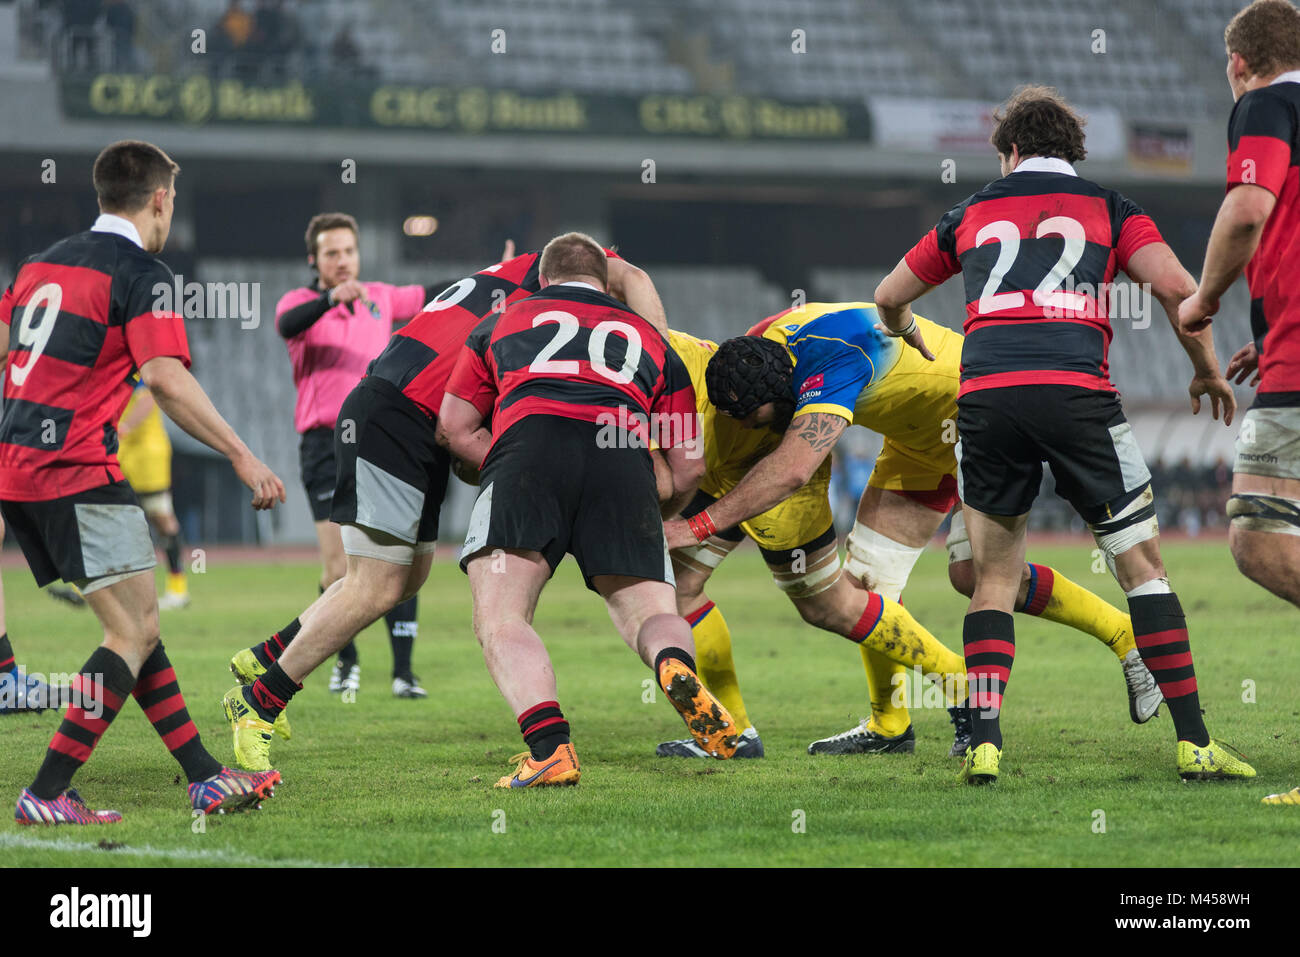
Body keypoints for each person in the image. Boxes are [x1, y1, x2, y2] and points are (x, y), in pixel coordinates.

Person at [873, 86, 1250, 784]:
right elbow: (1178, 292)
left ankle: (986, 744)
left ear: (1010, 151)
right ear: (1073, 149)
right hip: (1078, 395)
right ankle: (1194, 741)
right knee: (1144, 569)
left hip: (986, 397)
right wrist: (1203, 370)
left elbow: (888, 297)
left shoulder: (971, 212)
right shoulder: (1111, 209)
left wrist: (909, 335)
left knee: (990, 577)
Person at [222, 241, 671, 772]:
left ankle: (265, 656)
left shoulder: (519, 288)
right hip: (397, 413)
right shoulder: (563, 280)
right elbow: (635, 276)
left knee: (403, 581)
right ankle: (258, 703)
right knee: (376, 585)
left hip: (417, 416)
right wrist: (662, 356)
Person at [657, 307, 1162, 762]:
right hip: (920, 435)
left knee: (976, 575)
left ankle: (1126, 637)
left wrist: (697, 525)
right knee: (870, 581)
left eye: (755, 420)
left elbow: (793, 467)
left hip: (977, 417)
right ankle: (890, 724)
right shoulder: (765, 349)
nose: (752, 429)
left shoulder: (831, 366)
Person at [1, 140, 284, 823]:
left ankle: (204, 776)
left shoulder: (41, 264)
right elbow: (165, 377)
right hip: (77, 470)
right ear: (160, 198)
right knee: (130, 632)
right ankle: (46, 792)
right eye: (173, 201)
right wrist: (244, 454)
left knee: (141, 624)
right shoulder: (142, 271)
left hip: (17, 466)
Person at [438, 232, 735, 787]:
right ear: (605, 281)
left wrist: (501, 459)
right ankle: (674, 664)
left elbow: (453, 426)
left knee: (502, 617)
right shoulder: (652, 339)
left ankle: (550, 748)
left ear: (544, 279)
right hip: (622, 461)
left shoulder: (504, 319)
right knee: (650, 614)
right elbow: (690, 464)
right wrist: (654, 497)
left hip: (529, 451)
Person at [1178, 0, 1300, 806]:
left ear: (1238, 64)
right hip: (1287, 346)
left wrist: (1206, 301)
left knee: (1260, 543)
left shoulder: (1266, 102)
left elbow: (1249, 209)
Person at [272, 212, 443, 700]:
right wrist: (330, 299)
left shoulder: (381, 297)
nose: (342, 260)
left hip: (379, 441)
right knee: (340, 568)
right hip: (325, 446)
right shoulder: (302, 303)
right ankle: (345, 662)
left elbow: (433, 294)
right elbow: (287, 323)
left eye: (348, 251)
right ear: (315, 260)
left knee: (397, 559)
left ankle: (404, 674)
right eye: (331, 253)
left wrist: (494, 279)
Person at [116, 379, 191, 609]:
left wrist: (124, 427)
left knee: (161, 518)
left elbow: (146, 401)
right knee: (107, 513)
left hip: (147, 454)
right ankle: (85, 588)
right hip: (119, 451)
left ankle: (178, 588)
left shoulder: (141, 367)